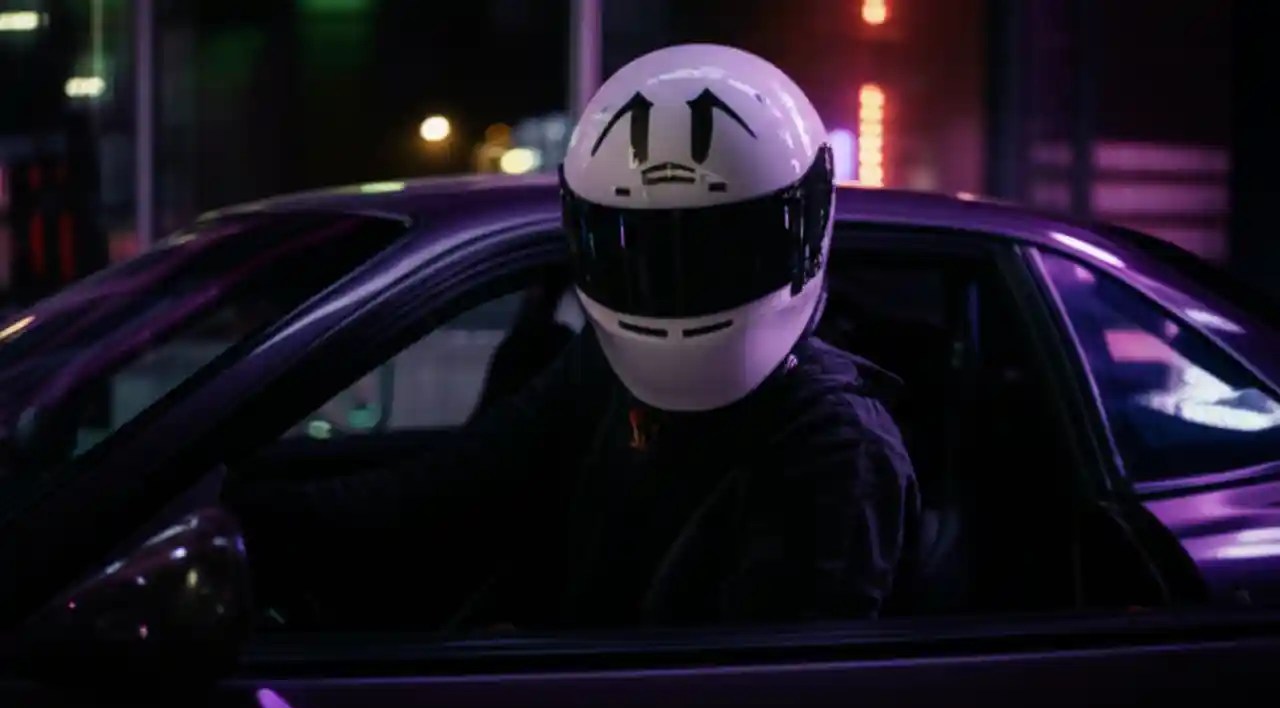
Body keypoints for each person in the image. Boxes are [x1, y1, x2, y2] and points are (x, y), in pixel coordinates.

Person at [226, 44, 919, 629]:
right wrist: (238, 527)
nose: (675, 288)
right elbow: (443, 490)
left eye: (715, 255)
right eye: (644, 257)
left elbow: (766, 686)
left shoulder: (836, 448)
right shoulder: (603, 376)